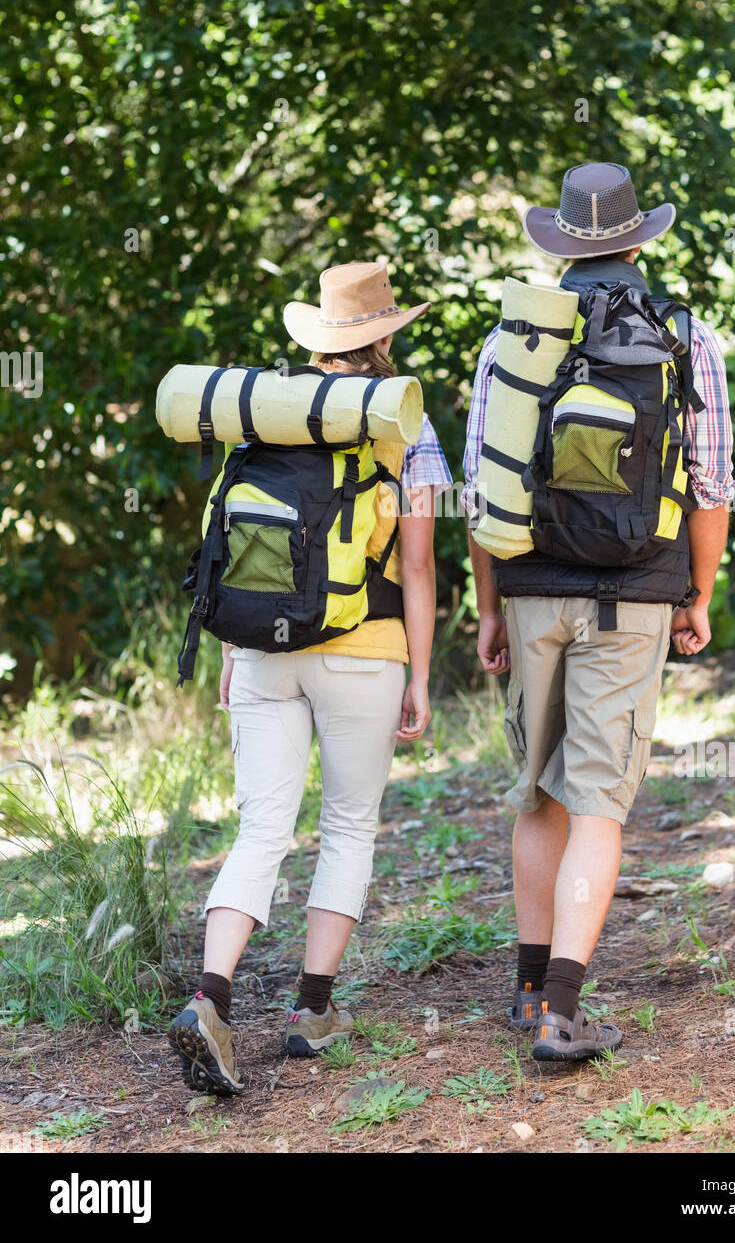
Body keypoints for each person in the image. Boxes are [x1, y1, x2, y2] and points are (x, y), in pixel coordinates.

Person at [463, 162, 735, 1061]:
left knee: (539, 795)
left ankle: (530, 990)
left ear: (560, 246)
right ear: (638, 238)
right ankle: (564, 1017)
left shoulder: (511, 342)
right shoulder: (685, 338)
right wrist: (697, 592)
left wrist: (489, 608)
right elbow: (710, 484)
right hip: (635, 593)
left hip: (530, 587)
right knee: (598, 806)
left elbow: (483, 491)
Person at [169, 261, 451, 1093]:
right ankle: (311, 1011)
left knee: (261, 829)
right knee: (349, 825)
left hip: (260, 647)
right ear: (387, 336)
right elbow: (421, 565)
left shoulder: (262, 415)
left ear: (317, 342)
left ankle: (211, 1000)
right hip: (364, 651)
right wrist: (421, 674)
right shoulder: (406, 426)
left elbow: (232, 546)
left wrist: (231, 650)